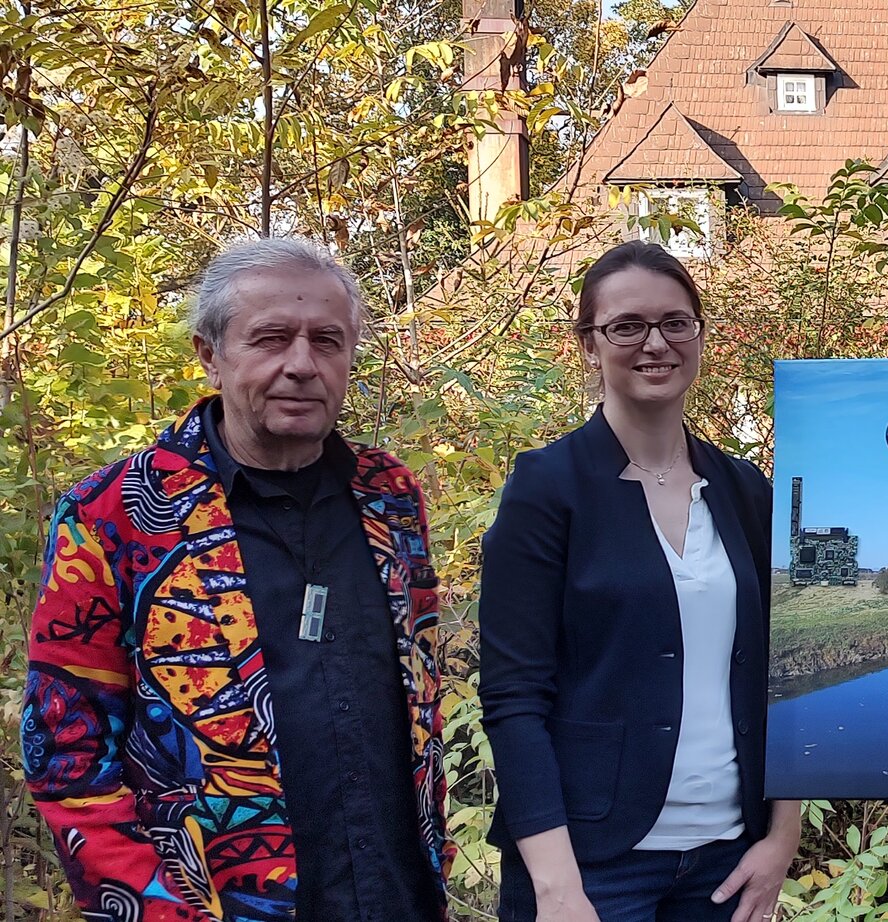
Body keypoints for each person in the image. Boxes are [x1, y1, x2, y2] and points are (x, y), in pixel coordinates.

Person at [20, 237, 451, 921]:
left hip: (397, 895)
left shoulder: (389, 496)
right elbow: (64, 752)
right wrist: (154, 909)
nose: (302, 365)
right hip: (215, 905)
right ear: (210, 356)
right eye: (271, 339)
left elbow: (420, 701)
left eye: (328, 341)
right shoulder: (115, 514)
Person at [480, 241, 798, 922]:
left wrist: (783, 834)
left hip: (726, 861)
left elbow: (788, 667)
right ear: (589, 346)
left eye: (676, 322)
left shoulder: (744, 490)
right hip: (590, 866)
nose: (656, 343)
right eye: (627, 326)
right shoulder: (547, 489)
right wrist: (556, 887)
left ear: (699, 335)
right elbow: (513, 697)